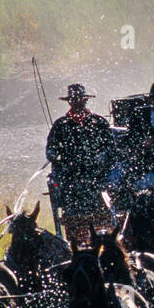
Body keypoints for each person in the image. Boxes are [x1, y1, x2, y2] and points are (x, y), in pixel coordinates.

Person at [45, 83, 114, 247]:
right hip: (71, 177)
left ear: (85, 100)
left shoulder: (98, 122)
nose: (77, 102)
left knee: (99, 190)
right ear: (69, 102)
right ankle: (76, 237)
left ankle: (103, 232)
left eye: (80, 99)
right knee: (69, 190)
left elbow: (111, 148)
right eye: (73, 99)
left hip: (96, 176)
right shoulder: (60, 125)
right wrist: (58, 158)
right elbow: (50, 150)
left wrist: (101, 158)